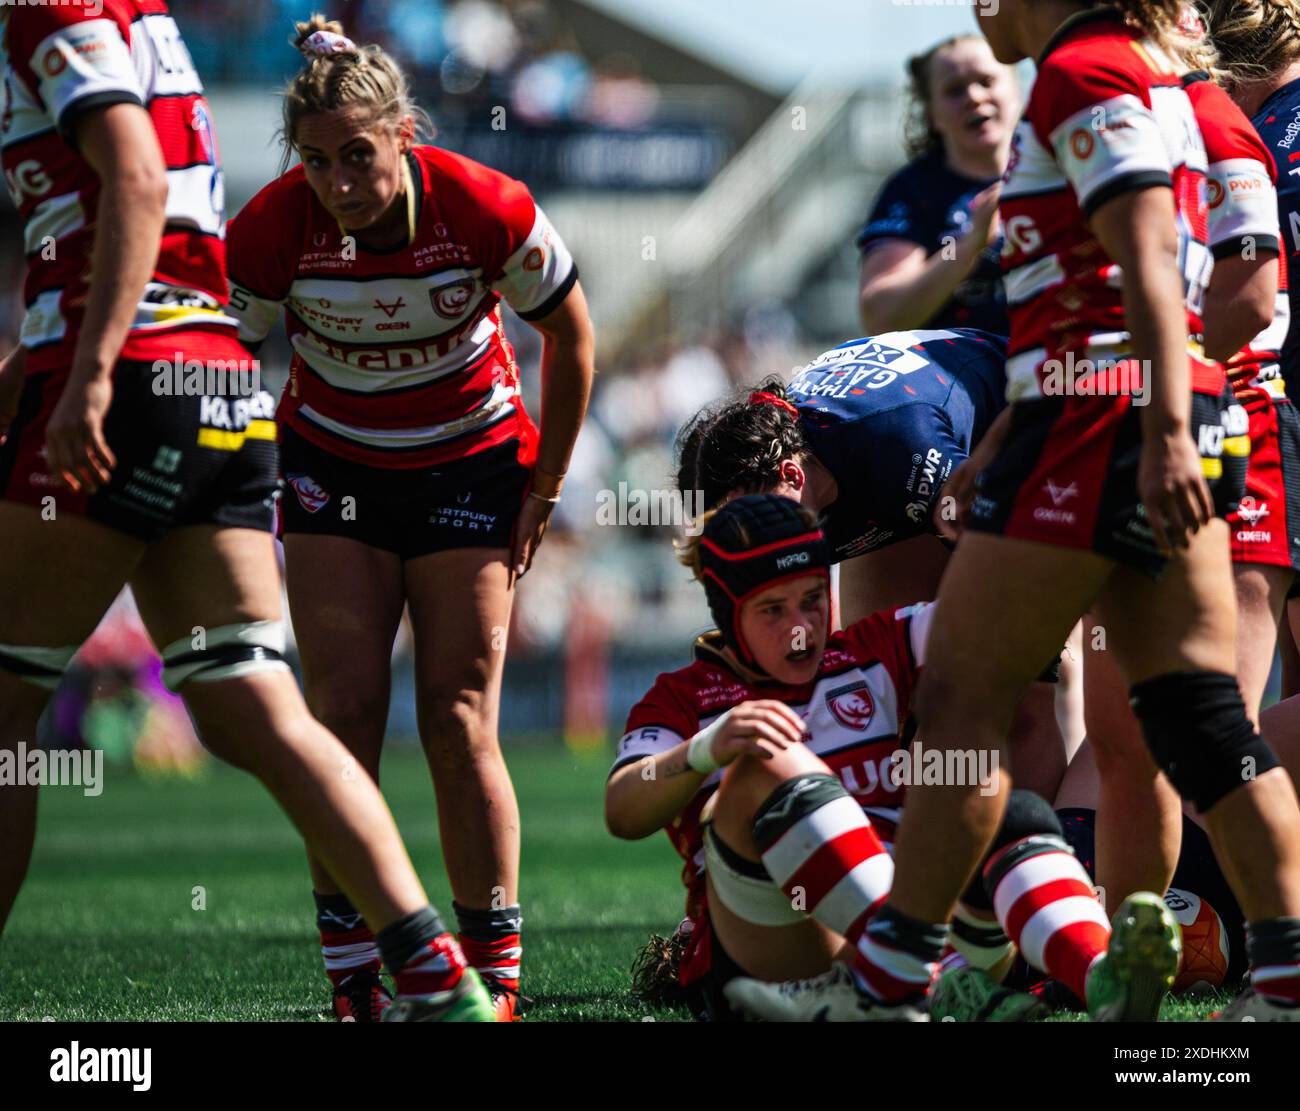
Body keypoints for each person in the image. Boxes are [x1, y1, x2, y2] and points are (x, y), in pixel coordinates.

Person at [733, 0, 1300, 1023]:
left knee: (957, 694)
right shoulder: (1163, 85)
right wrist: (1011, 438)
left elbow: (1145, 269)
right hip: (1134, 417)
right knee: (1197, 721)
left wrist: (1164, 424)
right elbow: (1109, 286)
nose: (980, 9)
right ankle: (1277, 981)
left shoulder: (1082, 69)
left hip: (1100, 429)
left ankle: (892, 982)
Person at [0, 0, 492, 1022]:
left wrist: (87, 376)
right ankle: (435, 969)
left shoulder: (48, 6)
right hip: (215, 385)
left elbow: (135, 179)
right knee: (248, 700)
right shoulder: (138, 16)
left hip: (133, 370)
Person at [224, 15, 595, 1021]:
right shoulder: (269, 229)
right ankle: (356, 987)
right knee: (340, 720)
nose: (339, 183)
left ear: (404, 136)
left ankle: (494, 982)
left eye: (358, 156)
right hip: (332, 470)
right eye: (317, 163)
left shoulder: (483, 205)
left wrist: (544, 490)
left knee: (457, 716)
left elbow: (571, 333)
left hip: (472, 465)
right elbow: (223, 356)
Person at [673, 330, 1072, 801]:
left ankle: (1043, 852)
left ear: (793, 477)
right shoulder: (790, 476)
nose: (758, 537)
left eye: (765, 518)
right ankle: (903, 848)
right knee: (884, 697)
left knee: (1022, 697)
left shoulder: (900, 446)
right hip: (886, 470)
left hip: (1017, 423)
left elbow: (1002, 553)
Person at [857, 35, 1017, 338]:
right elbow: (881, 317)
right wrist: (971, 244)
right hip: (961, 377)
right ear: (932, 115)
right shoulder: (911, 192)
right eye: (954, 90)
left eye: (986, 81)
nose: (974, 97)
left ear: (1017, 90)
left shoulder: (1060, 169)